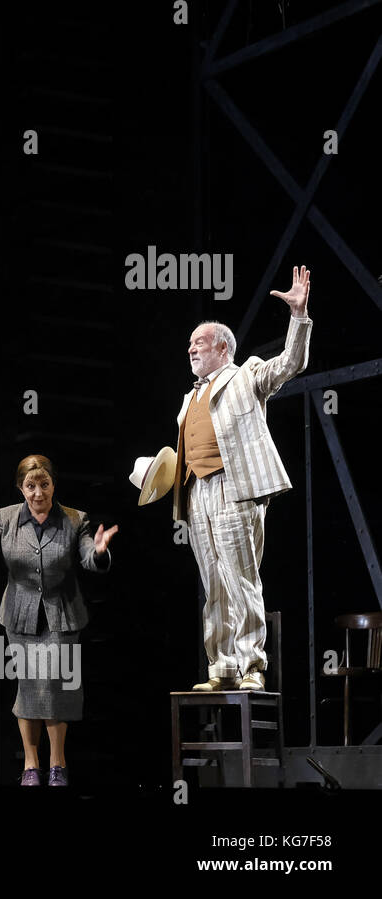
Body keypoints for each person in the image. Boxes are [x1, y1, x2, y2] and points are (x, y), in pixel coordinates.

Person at [172, 266, 313, 692]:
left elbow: (290, 364)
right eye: (191, 344)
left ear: (221, 347)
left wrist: (299, 316)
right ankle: (223, 667)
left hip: (236, 489)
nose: (191, 348)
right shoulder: (189, 396)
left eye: (199, 343)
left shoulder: (245, 375)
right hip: (199, 495)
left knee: (240, 577)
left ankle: (253, 665)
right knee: (213, 581)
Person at [0, 454, 116, 786]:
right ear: (20, 488)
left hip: (62, 613)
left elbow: (87, 557)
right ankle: (31, 765)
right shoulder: (6, 518)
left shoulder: (73, 518)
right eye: (30, 486)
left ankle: (58, 763)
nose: (38, 493)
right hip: (20, 614)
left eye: (44, 484)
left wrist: (98, 552)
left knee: (55, 685)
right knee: (28, 685)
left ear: (54, 483)